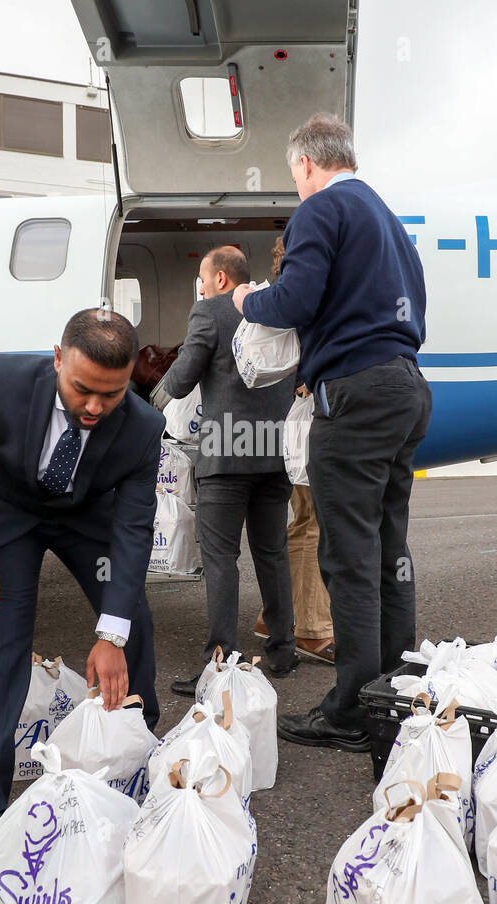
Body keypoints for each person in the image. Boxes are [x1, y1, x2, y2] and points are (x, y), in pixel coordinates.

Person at [0, 309, 164, 853]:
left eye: (111, 395)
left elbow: (133, 531)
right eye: (83, 389)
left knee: (135, 623)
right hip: (9, 511)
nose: (94, 407)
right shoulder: (4, 381)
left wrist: (110, 638)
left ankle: (136, 754)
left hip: (85, 518)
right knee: (5, 645)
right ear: (57, 359)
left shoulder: (143, 426)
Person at [233, 113, 432, 752]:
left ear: (306, 165)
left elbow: (294, 300)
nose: (296, 186)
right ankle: (398, 688)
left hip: (355, 394)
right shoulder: (388, 220)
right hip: (406, 388)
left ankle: (351, 711)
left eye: (295, 176)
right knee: (387, 546)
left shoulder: (320, 209)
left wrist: (244, 301)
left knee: (346, 556)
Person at [152, 245, 298, 695]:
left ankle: (221, 661)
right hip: (274, 451)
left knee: (221, 560)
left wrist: (151, 397)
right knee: (271, 552)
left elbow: (180, 381)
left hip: (225, 456)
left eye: (201, 276)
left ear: (220, 279)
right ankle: (283, 650)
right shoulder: (278, 310)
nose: (199, 285)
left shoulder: (211, 312)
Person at [254, 236, 335, 664]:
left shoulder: (276, 295)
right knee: (316, 522)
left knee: (302, 520)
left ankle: (275, 615)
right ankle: (313, 628)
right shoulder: (306, 294)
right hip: (307, 418)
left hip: (284, 420)